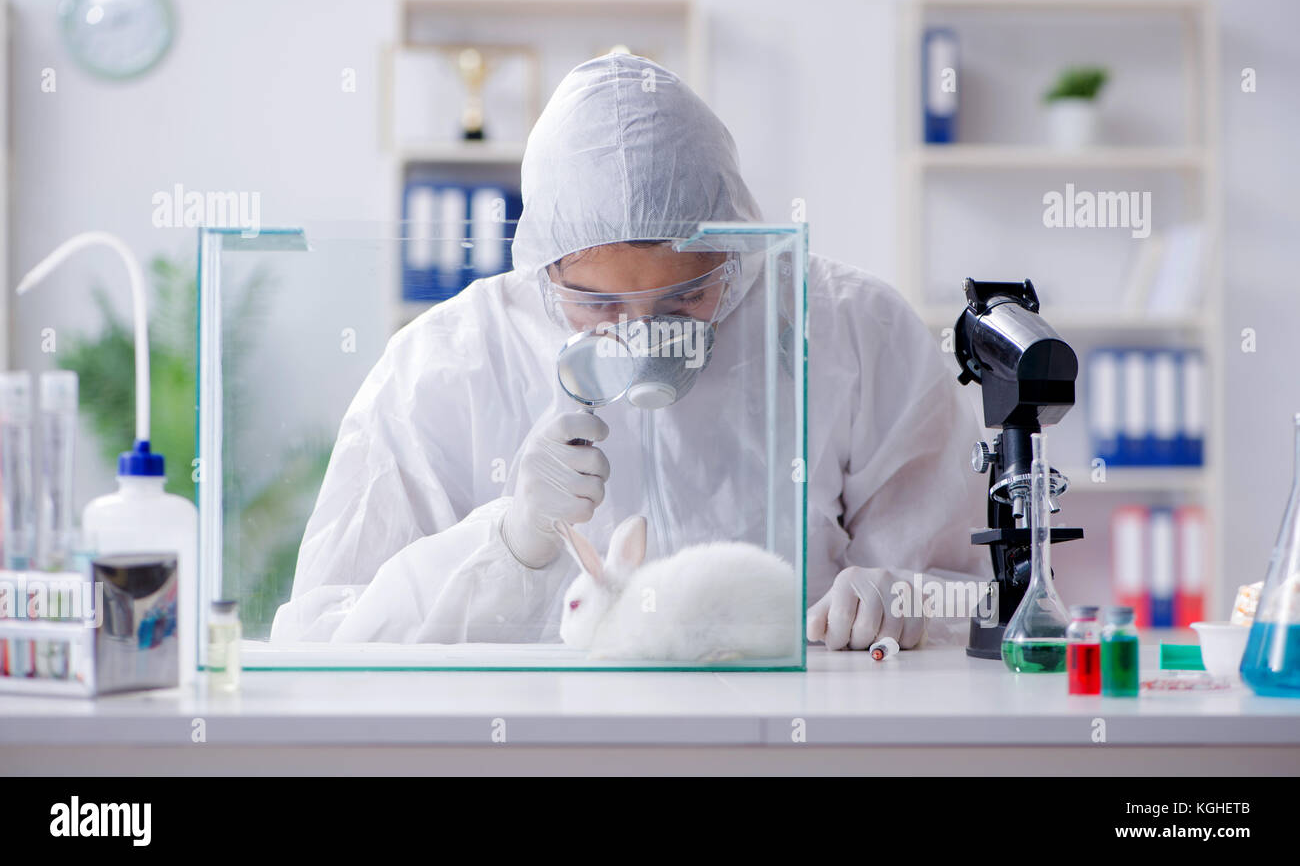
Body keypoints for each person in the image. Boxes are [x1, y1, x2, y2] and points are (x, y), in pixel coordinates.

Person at [270, 54, 988, 651]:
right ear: (545, 270)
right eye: (600, 304)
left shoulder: (853, 332)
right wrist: (509, 542)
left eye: (684, 298)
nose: (644, 337)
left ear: (735, 253)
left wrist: (906, 597)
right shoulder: (447, 364)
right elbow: (328, 636)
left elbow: (982, 606)